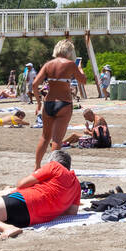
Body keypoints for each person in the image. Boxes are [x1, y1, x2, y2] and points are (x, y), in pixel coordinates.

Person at [32, 40, 89, 168]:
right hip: (64, 103)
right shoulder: (70, 64)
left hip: (49, 103)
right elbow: (83, 81)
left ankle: (37, 167)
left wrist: (38, 103)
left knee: (44, 137)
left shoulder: (48, 65)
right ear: (69, 51)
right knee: (57, 140)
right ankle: (53, 168)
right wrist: (80, 68)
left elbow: (35, 84)